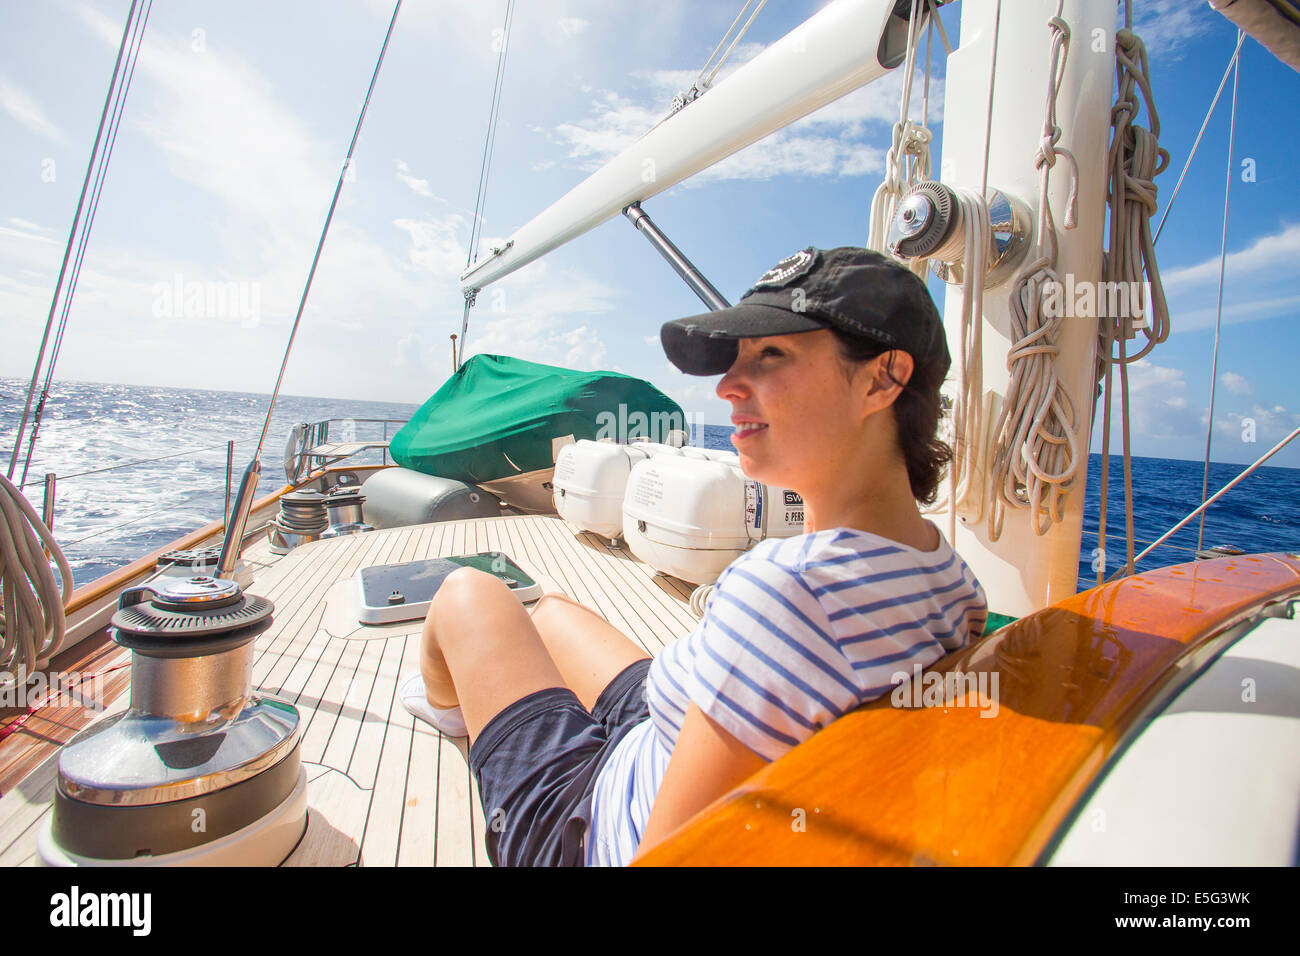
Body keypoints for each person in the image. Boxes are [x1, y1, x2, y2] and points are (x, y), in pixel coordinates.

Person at [398, 246, 987, 866]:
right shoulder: (949, 577)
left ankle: (452, 711)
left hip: (591, 826)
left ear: (881, 379)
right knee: (547, 614)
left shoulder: (789, 592)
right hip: (665, 737)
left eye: (772, 355)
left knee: (470, 591)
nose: (728, 387)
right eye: (737, 361)